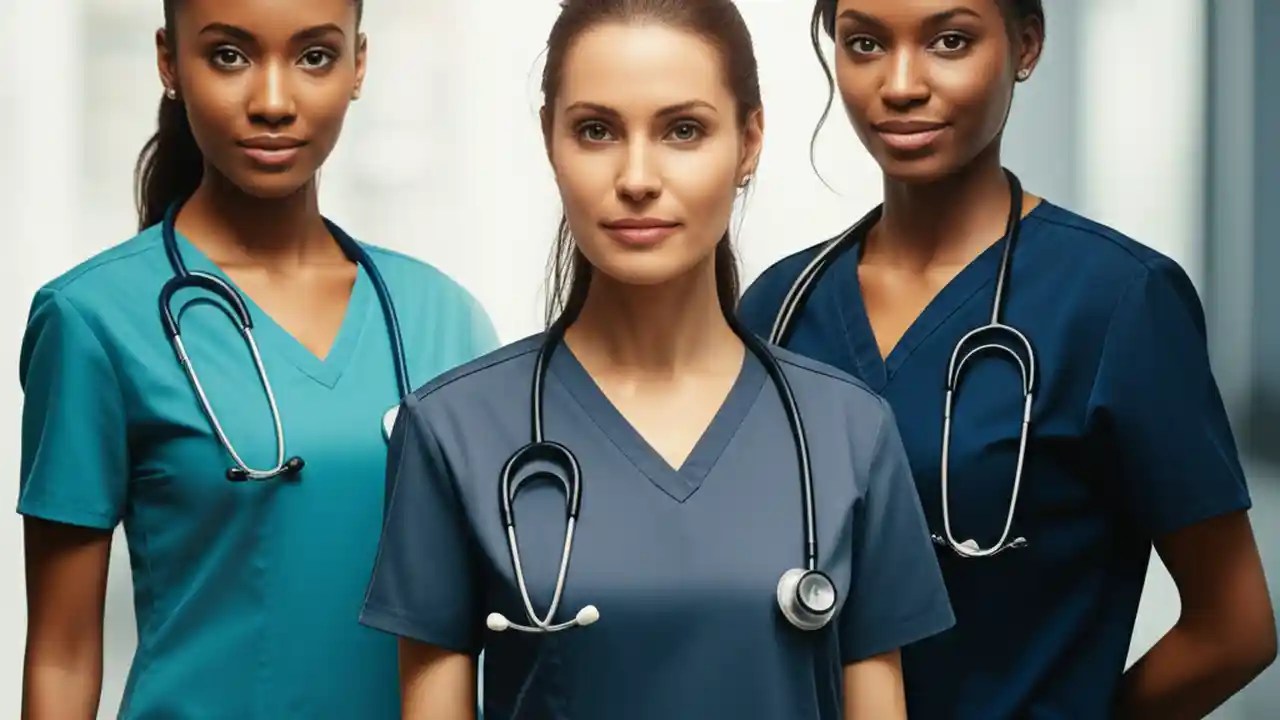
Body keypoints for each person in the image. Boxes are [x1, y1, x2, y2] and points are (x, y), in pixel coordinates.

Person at [358, 1, 955, 718]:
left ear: (749, 141)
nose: (637, 176)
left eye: (683, 130)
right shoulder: (453, 431)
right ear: (550, 142)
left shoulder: (850, 432)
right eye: (596, 131)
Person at [740, 1, 1278, 718]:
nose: (900, 82)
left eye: (950, 41)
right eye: (864, 43)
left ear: (1026, 45)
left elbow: (1233, 630)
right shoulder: (778, 306)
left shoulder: (1118, 302)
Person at [17, 0, 496, 717]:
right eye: (229, 56)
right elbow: (61, 656)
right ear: (168, 63)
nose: (273, 102)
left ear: (358, 65)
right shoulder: (92, 320)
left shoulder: (442, 320)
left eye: (314, 56)